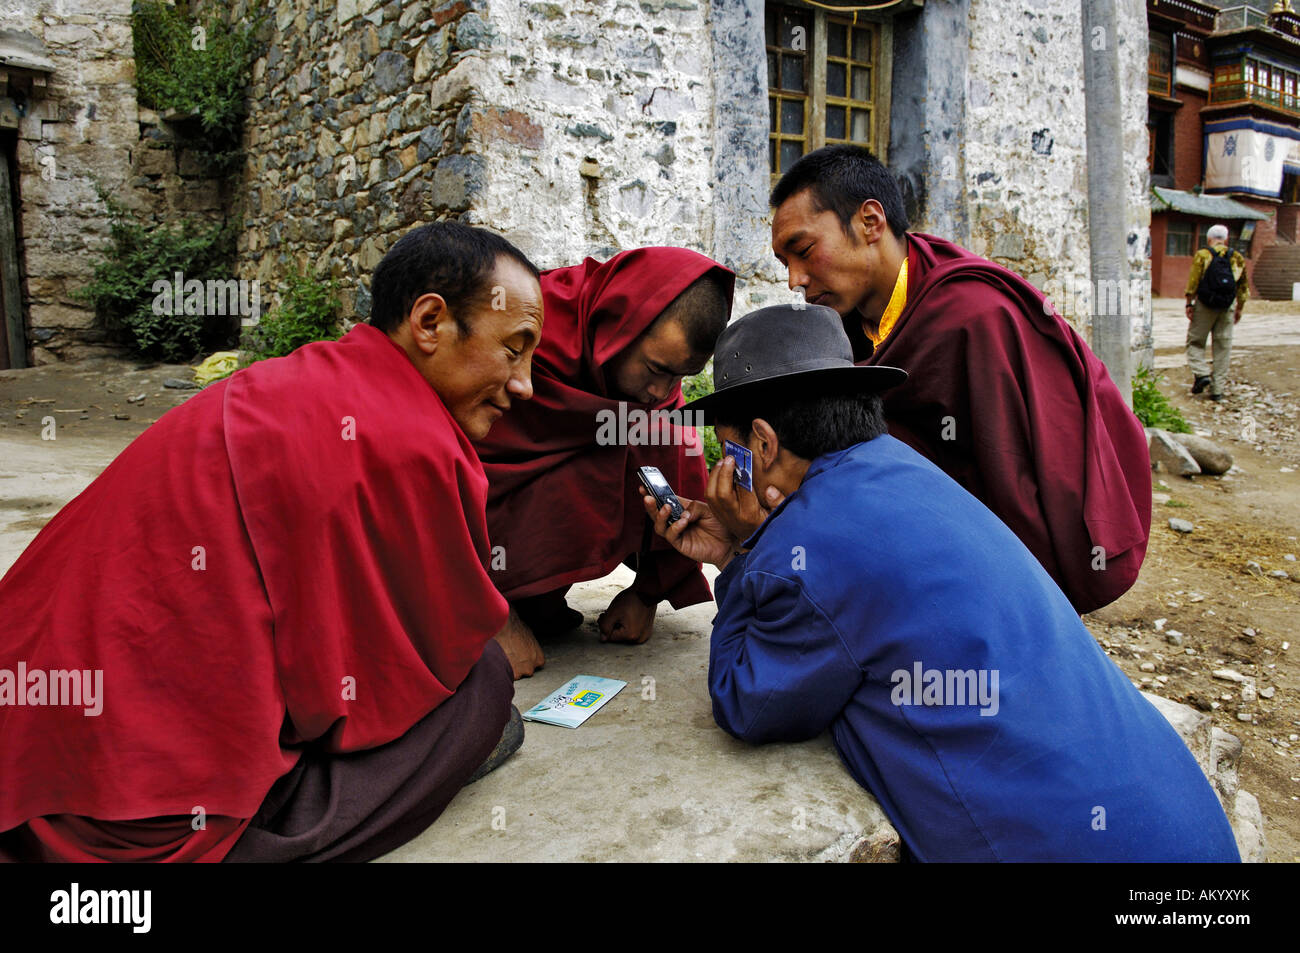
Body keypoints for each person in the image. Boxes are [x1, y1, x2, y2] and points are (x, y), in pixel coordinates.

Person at [0, 222, 543, 862]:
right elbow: (386, 685)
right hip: (134, 823)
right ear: (429, 322)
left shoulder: (291, 383)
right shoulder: (410, 440)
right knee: (480, 692)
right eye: (515, 348)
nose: (525, 384)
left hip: (24, 754)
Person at [641, 303, 1241, 862]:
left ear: (763, 445)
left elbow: (749, 703)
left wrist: (749, 549)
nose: (725, 470)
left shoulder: (810, 545)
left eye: (729, 451)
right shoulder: (899, 464)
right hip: (1187, 835)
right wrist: (751, 549)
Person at [768, 145, 1151, 615]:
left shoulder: (974, 317)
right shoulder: (847, 321)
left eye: (804, 252)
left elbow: (1012, 476)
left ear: (870, 222)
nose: (795, 280)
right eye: (783, 262)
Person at [471, 248, 734, 675]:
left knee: (669, 441)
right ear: (617, 327)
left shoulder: (656, 394)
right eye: (655, 369)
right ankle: (507, 599)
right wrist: (493, 621)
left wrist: (648, 592)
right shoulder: (531, 329)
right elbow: (451, 476)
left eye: (678, 377)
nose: (658, 391)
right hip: (487, 540)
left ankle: (539, 598)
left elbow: (677, 475)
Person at [1185, 223, 1249, 402]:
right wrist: (1239, 308)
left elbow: (1193, 282)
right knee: (1223, 347)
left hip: (1205, 305)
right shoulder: (1236, 257)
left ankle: (1202, 373)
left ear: (1208, 238)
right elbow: (1243, 287)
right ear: (1226, 239)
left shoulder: (1203, 255)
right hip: (1227, 306)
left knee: (1195, 342)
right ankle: (1217, 390)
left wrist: (1189, 303)